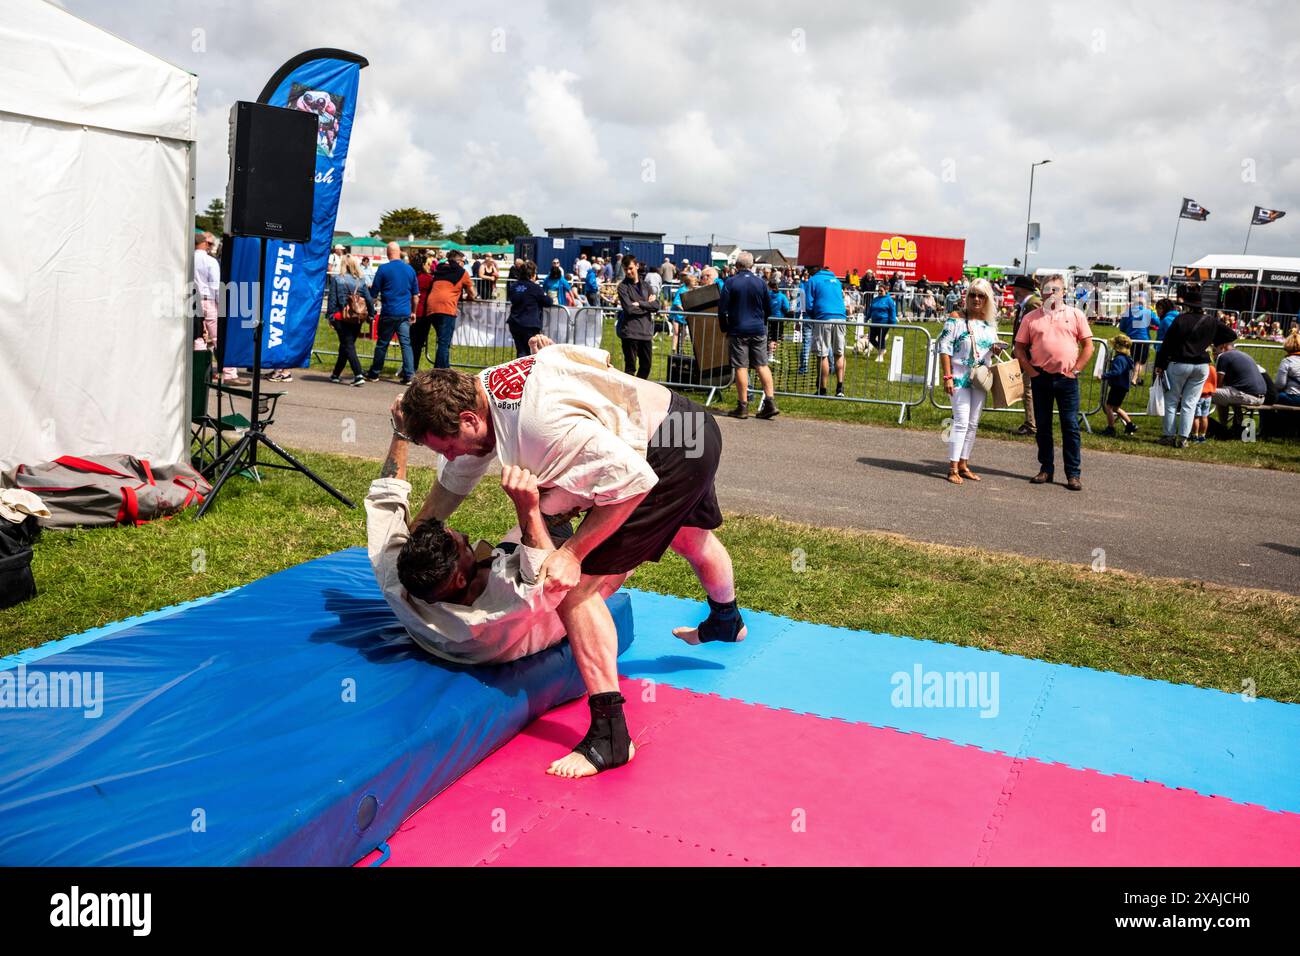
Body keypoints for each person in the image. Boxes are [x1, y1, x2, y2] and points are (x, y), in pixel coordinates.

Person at [400, 336, 746, 778]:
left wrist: (573, 551)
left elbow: (635, 480)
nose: (450, 457)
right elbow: (593, 359)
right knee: (690, 538)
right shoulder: (485, 387)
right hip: (692, 425)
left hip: (664, 455)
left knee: (576, 588)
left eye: (447, 447)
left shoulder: (534, 429)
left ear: (468, 418)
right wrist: (418, 529)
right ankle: (725, 618)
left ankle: (611, 735)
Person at [367, 416, 622, 665]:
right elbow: (548, 572)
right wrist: (527, 507)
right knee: (627, 524)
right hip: (549, 604)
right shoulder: (504, 607)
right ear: (459, 579)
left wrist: (401, 432)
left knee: (551, 505)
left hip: (517, 574)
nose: (468, 537)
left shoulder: (398, 579)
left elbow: (386, 501)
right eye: (464, 546)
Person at [1013, 273, 1093, 491]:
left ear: (1063, 292)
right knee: (1043, 427)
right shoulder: (1031, 318)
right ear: (1041, 291)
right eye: (1046, 289)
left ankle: (1073, 474)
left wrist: (1076, 370)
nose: (1050, 293)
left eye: (1055, 289)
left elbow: (1088, 346)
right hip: (1041, 378)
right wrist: (1032, 371)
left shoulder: (1075, 315)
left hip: (1067, 380)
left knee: (1070, 426)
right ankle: (1046, 468)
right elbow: (1019, 347)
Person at [936, 278, 1003, 483]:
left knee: (973, 423)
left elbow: (988, 349)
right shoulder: (956, 318)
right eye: (973, 294)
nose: (976, 299)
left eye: (981, 295)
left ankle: (964, 463)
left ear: (987, 299)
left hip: (980, 378)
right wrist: (947, 376)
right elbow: (944, 348)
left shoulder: (988, 323)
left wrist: (995, 349)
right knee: (961, 422)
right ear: (967, 297)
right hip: (958, 377)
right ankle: (952, 467)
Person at [1152, 289, 1218, 447]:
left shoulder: (1181, 320)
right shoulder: (1210, 320)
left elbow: (1167, 344)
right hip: (1202, 365)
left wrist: (1160, 364)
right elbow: (1229, 334)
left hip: (1180, 362)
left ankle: (1168, 435)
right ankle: (1183, 438)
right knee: (1190, 403)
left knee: (1172, 401)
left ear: (1187, 305)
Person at [719, 252, 778, 420]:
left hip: (738, 330)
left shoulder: (730, 282)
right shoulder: (761, 283)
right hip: (758, 329)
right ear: (751, 266)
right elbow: (769, 308)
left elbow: (722, 309)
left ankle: (743, 406)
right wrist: (762, 322)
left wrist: (725, 328)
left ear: (737, 266)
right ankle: (770, 402)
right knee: (762, 365)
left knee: (741, 367)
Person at [194, 232, 249, 386]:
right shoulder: (210, 261)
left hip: (193, 300)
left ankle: (201, 372)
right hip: (209, 300)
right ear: (204, 244)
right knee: (219, 338)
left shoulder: (188, 259)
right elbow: (216, 285)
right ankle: (230, 374)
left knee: (198, 337)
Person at [366, 242, 421, 384]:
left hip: (389, 311)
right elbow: (415, 296)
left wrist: (369, 308)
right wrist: (413, 312)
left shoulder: (383, 269)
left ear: (387, 253)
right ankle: (409, 375)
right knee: (405, 344)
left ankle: (374, 373)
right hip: (404, 313)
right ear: (399, 252)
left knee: (382, 343)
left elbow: (373, 293)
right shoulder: (410, 270)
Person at [327, 254, 375, 386]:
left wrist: (330, 317)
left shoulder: (337, 279)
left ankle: (358, 374)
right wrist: (371, 315)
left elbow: (332, 300)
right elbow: (369, 300)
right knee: (346, 345)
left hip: (341, 317)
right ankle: (336, 374)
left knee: (348, 345)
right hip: (357, 317)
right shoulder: (361, 280)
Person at [424, 249, 476, 370]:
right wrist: (468, 297)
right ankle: (442, 372)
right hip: (446, 307)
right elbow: (472, 293)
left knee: (442, 341)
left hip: (431, 306)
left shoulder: (439, 270)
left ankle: (441, 369)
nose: (464, 264)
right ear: (459, 261)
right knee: (444, 342)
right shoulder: (462, 272)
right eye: (464, 261)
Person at [1211, 326, 1268, 428]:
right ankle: (1236, 423)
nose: (1215, 352)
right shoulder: (1243, 354)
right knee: (1226, 393)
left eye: (1216, 348)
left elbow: (1217, 384)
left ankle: (1221, 427)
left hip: (1247, 396)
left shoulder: (1223, 356)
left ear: (1223, 345)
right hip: (1261, 396)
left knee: (1207, 393)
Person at [805, 263, 847, 396]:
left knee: (822, 354)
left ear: (811, 271)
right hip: (840, 316)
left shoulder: (812, 280)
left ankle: (822, 389)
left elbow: (809, 304)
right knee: (839, 353)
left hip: (823, 317)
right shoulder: (836, 280)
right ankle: (840, 388)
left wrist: (813, 316)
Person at [1007, 275, 1041, 435]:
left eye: (1016, 288)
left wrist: (1024, 351)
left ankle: (1031, 424)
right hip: (1024, 353)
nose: (1013, 291)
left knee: (1028, 389)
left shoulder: (1033, 303)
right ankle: (1031, 423)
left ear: (1023, 289)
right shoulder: (1025, 304)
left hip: (1030, 355)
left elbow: (1035, 330)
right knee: (1025, 388)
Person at [615, 255, 658, 379]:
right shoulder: (623, 287)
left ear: (637, 266)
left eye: (630, 268)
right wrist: (647, 305)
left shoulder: (646, 286)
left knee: (646, 366)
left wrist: (639, 303)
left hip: (645, 333)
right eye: (625, 269)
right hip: (630, 333)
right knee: (630, 368)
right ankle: (629, 395)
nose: (628, 272)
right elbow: (629, 308)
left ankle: (639, 390)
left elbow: (656, 306)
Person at [506, 260, 550, 357]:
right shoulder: (535, 288)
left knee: (521, 351)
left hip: (515, 322)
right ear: (532, 274)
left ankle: (520, 369)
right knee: (532, 351)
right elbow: (547, 302)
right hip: (529, 324)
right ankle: (528, 371)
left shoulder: (514, 286)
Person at [1099, 334, 1138, 436]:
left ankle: (1111, 428)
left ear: (1117, 346)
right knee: (1116, 408)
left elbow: (1116, 372)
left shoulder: (1119, 359)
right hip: (1123, 387)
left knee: (1108, 407)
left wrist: (1104, 375)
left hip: (1118, 386)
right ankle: (1130, 425)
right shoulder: (1126, 358)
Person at [1118, 287, 1156, 385]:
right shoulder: (1148, 312)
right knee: (1140, 361)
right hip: (1144, 340)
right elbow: (1158, 322)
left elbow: (1122, 327)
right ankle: (1134, 379)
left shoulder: (1128, 311)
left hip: (1130, 339)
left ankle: (1129, 377)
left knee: (1130, 359)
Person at [411, 252, 435, 372]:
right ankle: (413, 367)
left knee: (410, 342)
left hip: (411, 312)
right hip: (424, 314)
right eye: (428, 264)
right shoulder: (429, 279)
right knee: (418, 344)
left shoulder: (412, 276)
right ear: (423, 265)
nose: (430, 267)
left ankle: (409, 366)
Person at [861, 283, 897, 360]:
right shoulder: (875, 299)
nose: (879, 292)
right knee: (871, 338)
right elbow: (870, 310)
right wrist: (866, 318)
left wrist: (893, 323)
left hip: (884, 322)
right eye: (878, 291)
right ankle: (881, 350)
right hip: (874, 322)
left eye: (881, 291)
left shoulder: (889, 300)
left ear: (886, 290)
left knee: (881, 338)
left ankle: (880, 356)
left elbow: (892, 312)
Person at [1191, 358, 1218, 443]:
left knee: (1196, 417)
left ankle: (1194, 435)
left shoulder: (1198, 368)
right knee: (1205, 416)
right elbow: (1215, 382)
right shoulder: (1212, 368)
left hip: (1199, 394)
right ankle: (1202, 436)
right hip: (1208, 395)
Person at [767, 276, 791, 363]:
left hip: (768, 319)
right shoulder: (782, 296)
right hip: (778, 319)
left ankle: (768, 355)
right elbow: (786, 307)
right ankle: (770, 355)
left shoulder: (767, 295)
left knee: (769, 337)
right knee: (775, 338)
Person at [1274, 330, 1300, 406]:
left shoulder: (1287, 361)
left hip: (1294, 397)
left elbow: (1280, 384)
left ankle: (1269, 418)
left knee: (1268, 397)